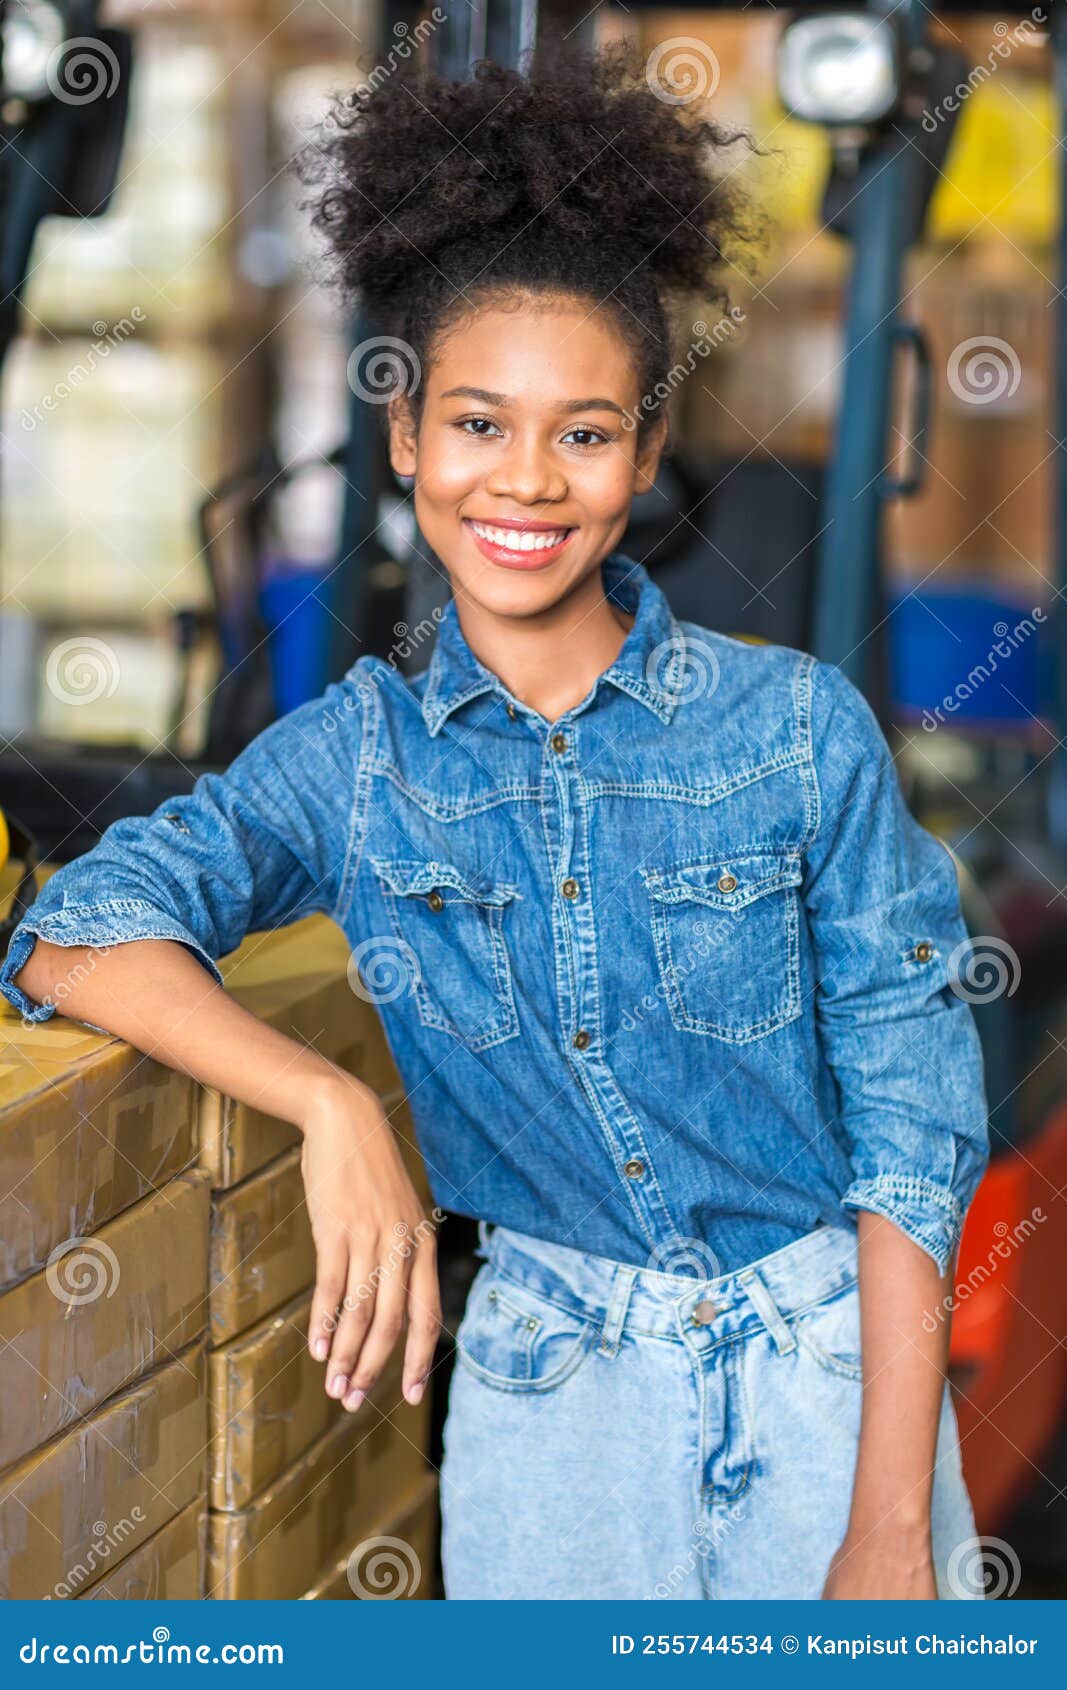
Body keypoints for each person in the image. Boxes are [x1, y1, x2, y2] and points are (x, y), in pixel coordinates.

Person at [0, 48, 989, 1600]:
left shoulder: (798, 727)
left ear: (646, 455)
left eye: (585, 433)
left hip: (828, 1376)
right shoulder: (351, 761)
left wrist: (885, 1523)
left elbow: (914, 1128)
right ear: (405, 441)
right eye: (476, 423)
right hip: (553, 1398)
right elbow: (71, 929)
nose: (525, 477)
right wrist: (330, 1105)